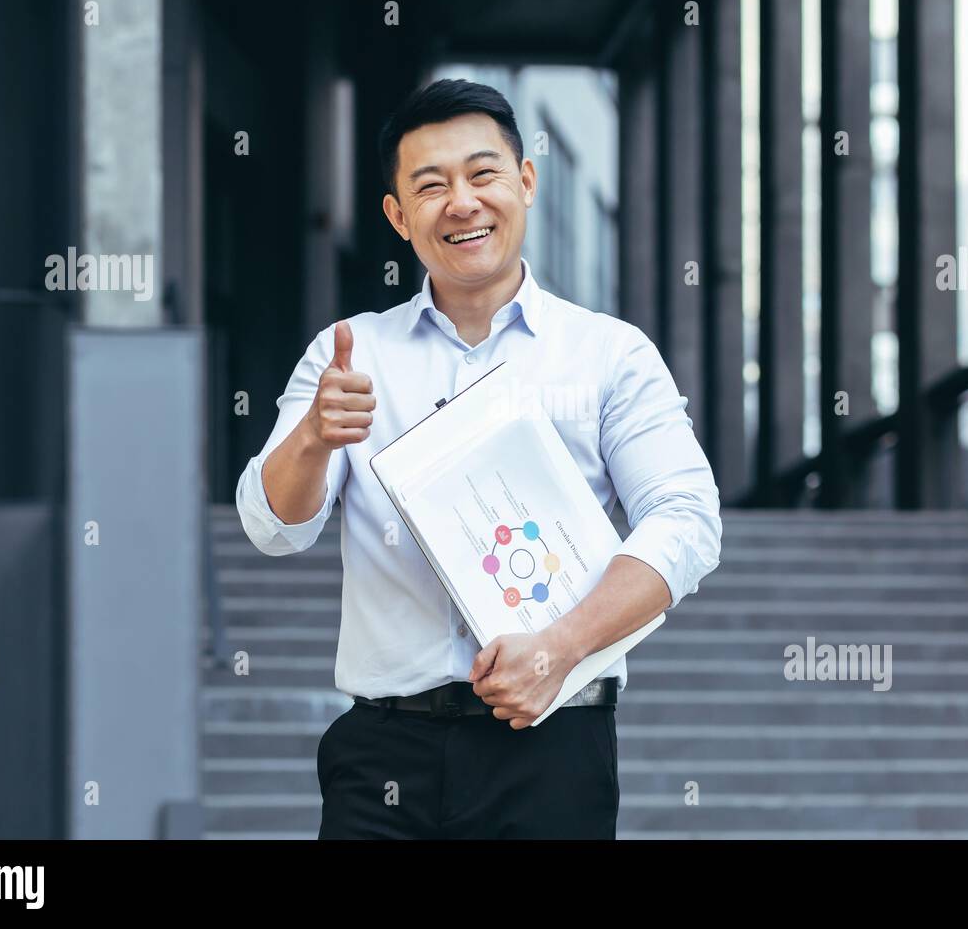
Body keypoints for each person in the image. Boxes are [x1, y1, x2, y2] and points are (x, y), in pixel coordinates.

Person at [236, 78, 722, 839]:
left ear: (526, 182)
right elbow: (275, 529)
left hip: (552, 747)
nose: (461, 202)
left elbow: (687, 521)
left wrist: (560, 650)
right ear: (398, 216)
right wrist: (311, 439)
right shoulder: (350, 355)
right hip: (382, 757)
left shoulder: (608, 354)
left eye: (483, 173)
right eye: (430, 186)